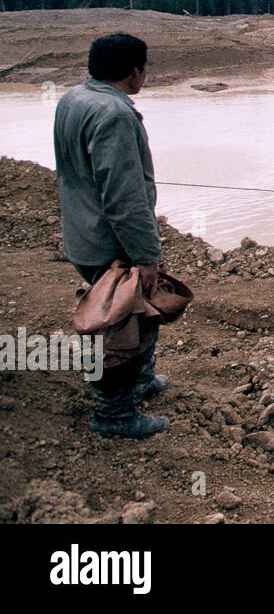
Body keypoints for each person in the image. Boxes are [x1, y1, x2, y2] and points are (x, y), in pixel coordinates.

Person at [53, 33, 169, 438]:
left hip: (82, 233)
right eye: (144, 68)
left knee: (137, 318)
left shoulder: (74, 98)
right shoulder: (115, 114)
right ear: (135, 71)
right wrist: (146, 255)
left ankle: (140, 384)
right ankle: (113, 414)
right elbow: (124, 197)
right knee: (124, 328)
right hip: (110, 243)